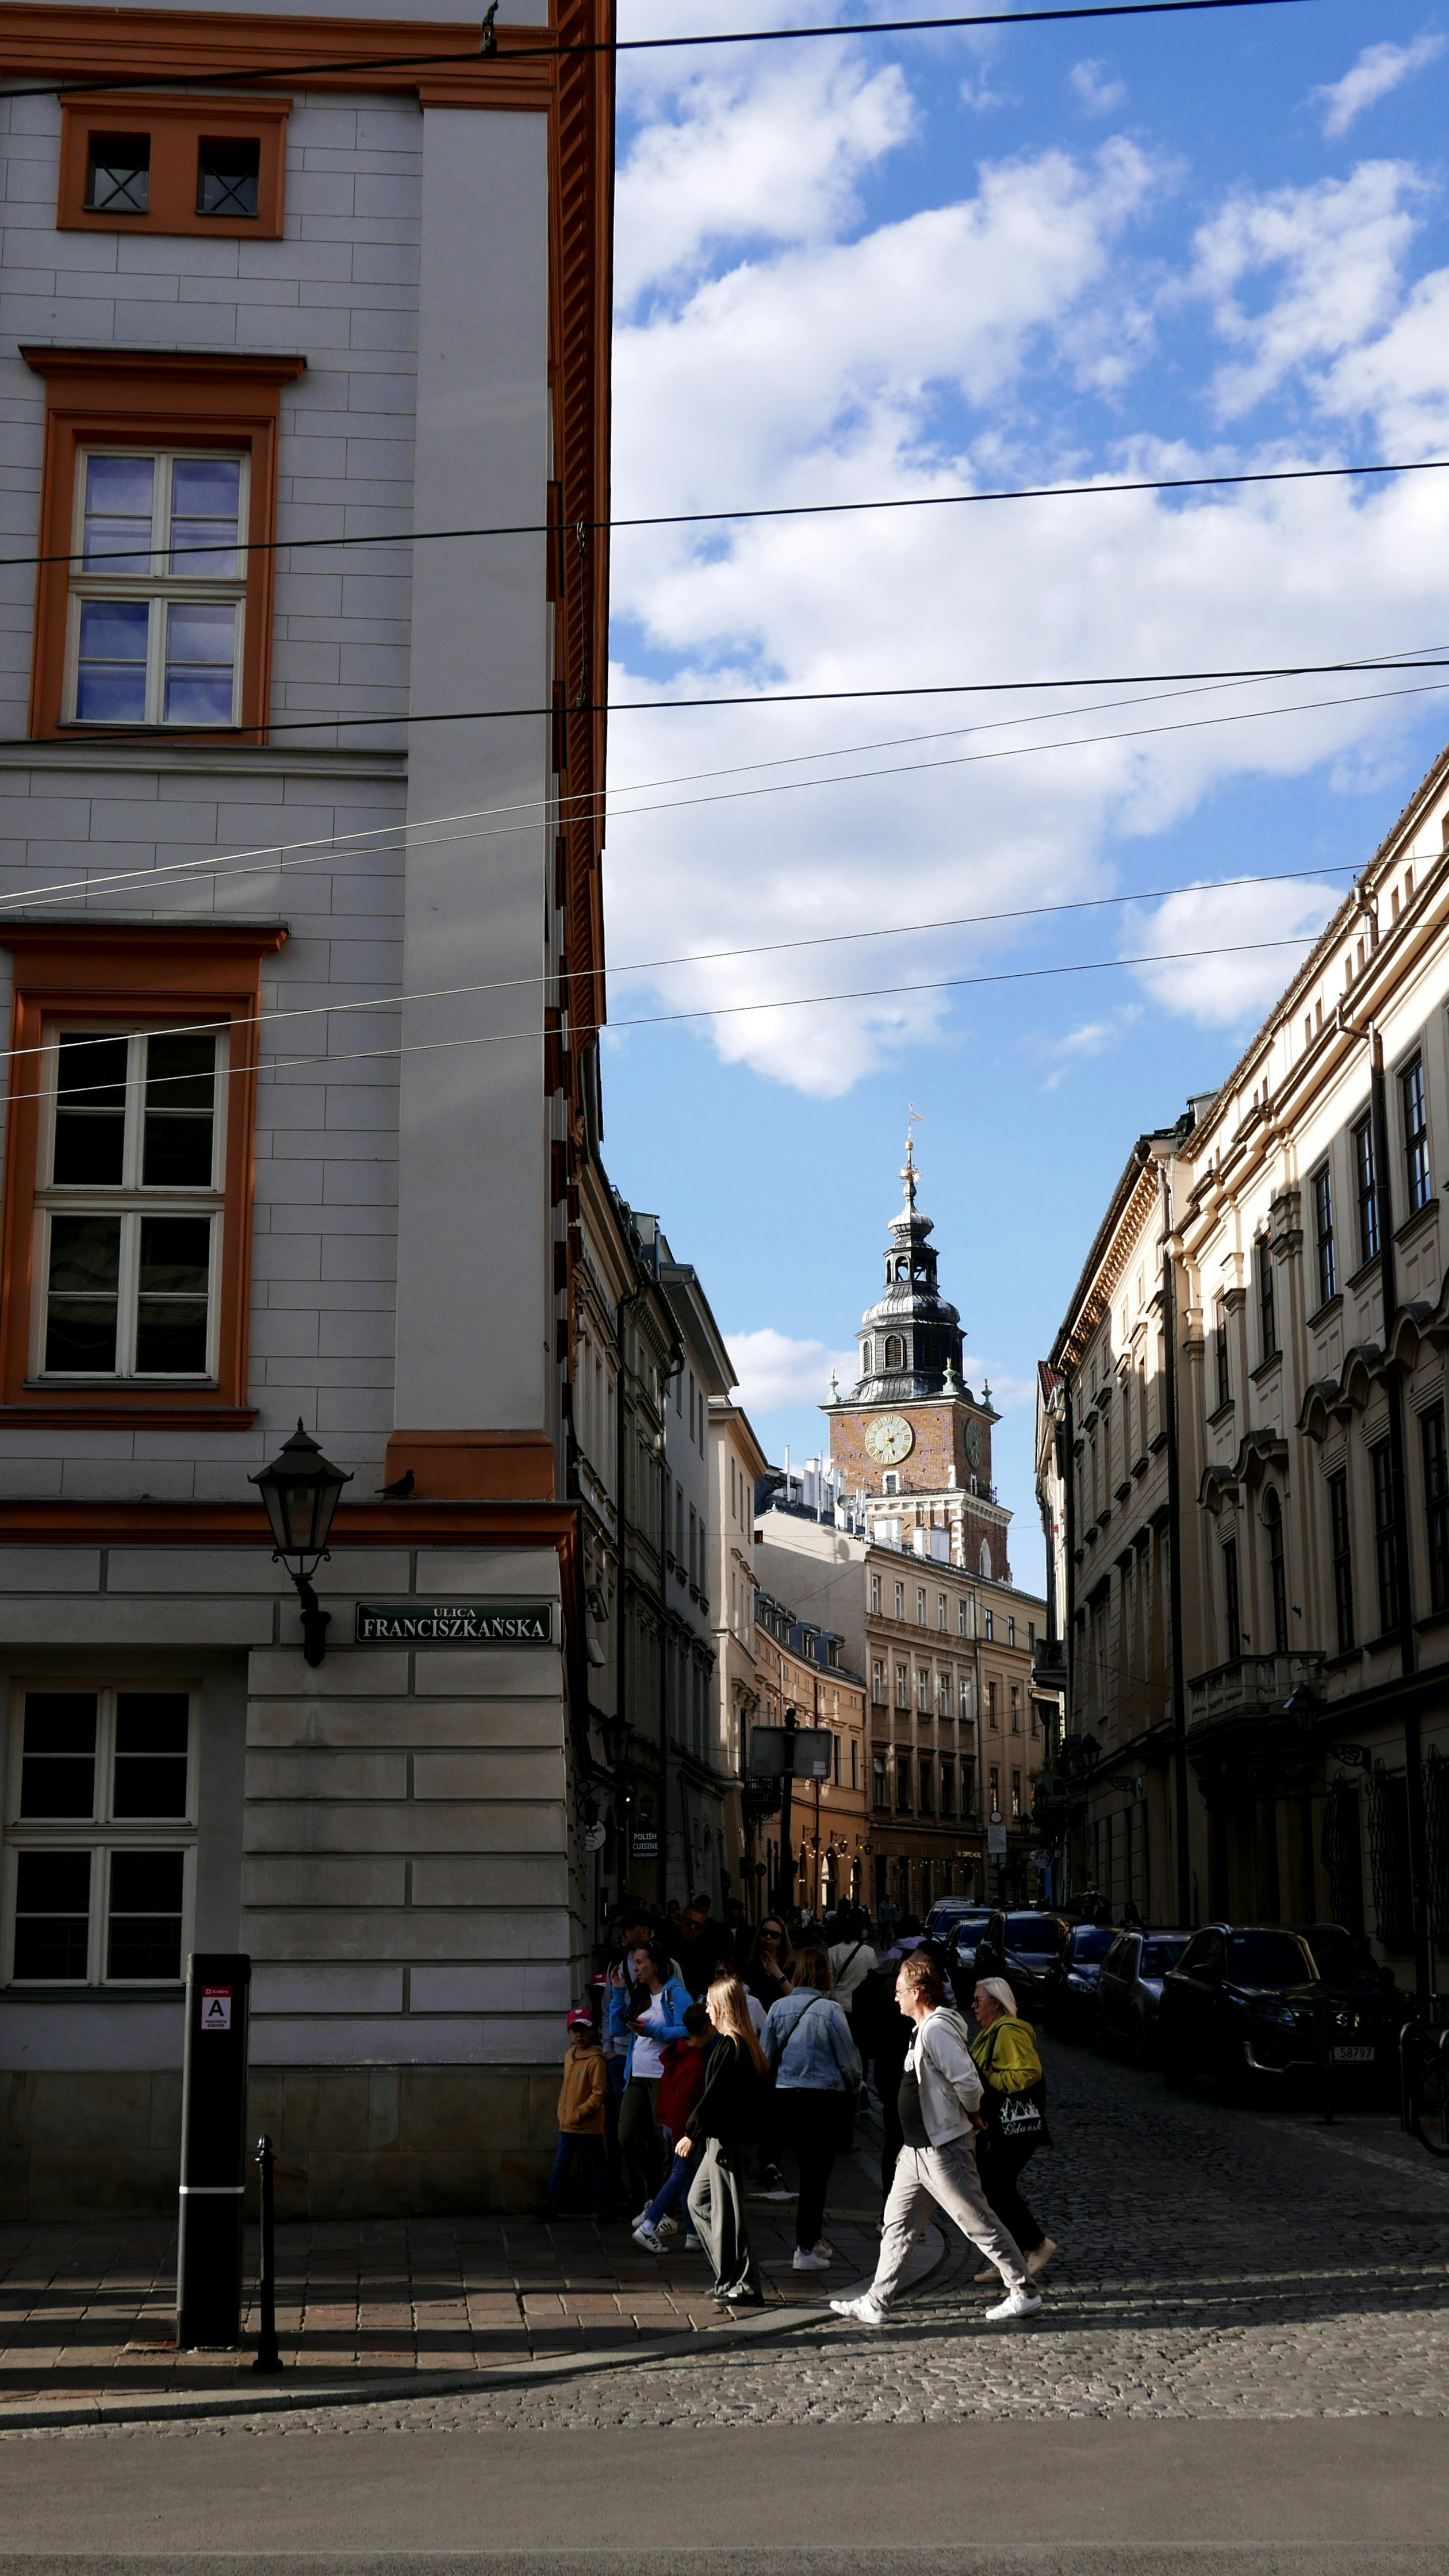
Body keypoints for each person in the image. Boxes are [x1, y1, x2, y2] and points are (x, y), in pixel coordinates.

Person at [830, 1950, 1040, 2328]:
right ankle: (877, 2301)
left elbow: (967, 2081)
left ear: (920, 1993)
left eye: (900, 1990)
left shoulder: (939, 2029)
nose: (895, 1997)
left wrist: (974, 2114)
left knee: (976, 2219)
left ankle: (1023, 2290)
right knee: (897, 2225)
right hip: (916, 2151)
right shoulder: (922, 2028)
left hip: (942, 2150)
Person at [762, 1948, 863, 2271]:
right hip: (823, 2098)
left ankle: (812, 2239)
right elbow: (849, 2061)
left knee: (807, 2171)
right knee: (817, 2175)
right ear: (824, 1974)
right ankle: (805, 2247)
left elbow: (766, 2058)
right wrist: (856, 2088)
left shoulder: (778, 2008)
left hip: (787, 2096)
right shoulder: (832, 2011)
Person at [676, 1970, 772, 2307]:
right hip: (728, 2140)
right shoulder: (738, 2044)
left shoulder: (733, 2046)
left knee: (730, 2213)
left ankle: (744, 2285)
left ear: (722, 2007)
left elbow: (714, 2097)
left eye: (710, 2004)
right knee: (698, 2203)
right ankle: (728, 2276)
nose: (707, 2011)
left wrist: (692, 2133)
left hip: (730, 2141)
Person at [971, 1975, 1056, 2282]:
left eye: (979, 2000)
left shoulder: (1008, 2032)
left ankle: (1036, 2245)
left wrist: (993, 2080)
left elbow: (1029, 2072)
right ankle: (1009, 2257)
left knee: (995, 2188)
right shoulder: (991, 2033)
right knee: (990, 2189)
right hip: (998, 2128)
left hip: (1012, 2128)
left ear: (996, 2003)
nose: (974, 2006)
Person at [608, 1936, 691, 2215]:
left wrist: (652, 2031)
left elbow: (687, 2031)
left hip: (663, 2077)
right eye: (635, 1962)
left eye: (641, 1962)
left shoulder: (675, 1993)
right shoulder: (641, 1993)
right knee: (627, 2137)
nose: (636, 1967)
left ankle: (665, 2204)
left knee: (662, 2143)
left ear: (656, 1965)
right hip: (637, 2074)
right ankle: (653, 2191)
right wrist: (619, 1994)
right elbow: (618, 2031)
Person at [632, 2002, 712, 2252]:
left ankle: (693, 2234)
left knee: (687, 2179)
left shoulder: (679, 2053)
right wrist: (686, 2135)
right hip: (682, 2130)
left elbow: (668, 2091)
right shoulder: (695, 2064)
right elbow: (683, 2103)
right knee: (680, 2177)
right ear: (708, 2029)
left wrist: (664, 2120)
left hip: (671, 2125)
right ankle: (649, 2225)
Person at [542, 2006, 613, 2222]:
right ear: (569, 2033)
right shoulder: (569, 2056)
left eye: (583, 2030)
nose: (579, 2035)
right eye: (575, 2030)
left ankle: (608, 2209)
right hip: (567, 2124)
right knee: (561, 2165)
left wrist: (582, 2111)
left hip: (588, 2125)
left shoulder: (595, 2060)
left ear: (593, 2031)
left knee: (598, 2167)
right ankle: (551, 2205)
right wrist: (565, 2113)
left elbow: (600, 2093)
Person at [827, 1907, 877, 2027]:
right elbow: (874, 1979)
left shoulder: (833, 1952)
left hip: (839, 2004)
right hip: (862, 2005)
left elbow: (829, 1981)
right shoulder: (869, 1952)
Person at [675, 1895, 729, 2000]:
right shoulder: (667, 1944)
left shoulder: (708, 1952)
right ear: (680, 1920)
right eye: (689, 1923)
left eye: (698, 1926)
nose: (692, 1928)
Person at [744, 1915, 795, 2012]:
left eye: (774, 1935)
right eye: (764, 1933)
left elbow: (795, 1998)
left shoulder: (789, 1966)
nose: (768, 1937)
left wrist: (779, 1975)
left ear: (781, 1940)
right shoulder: (749, 1965)